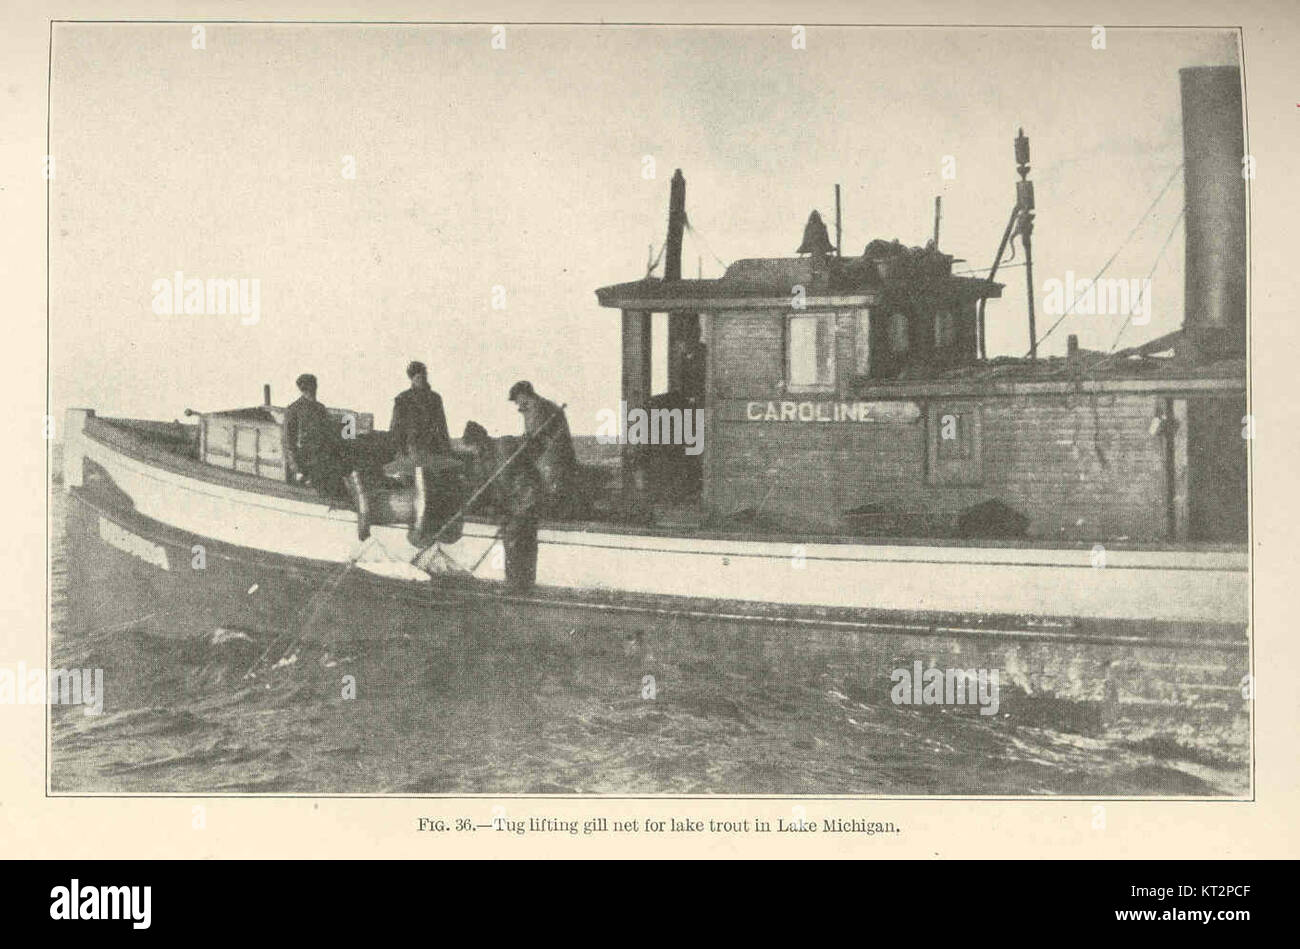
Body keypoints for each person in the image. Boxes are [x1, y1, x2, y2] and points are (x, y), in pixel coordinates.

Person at [461, 420, 542, 592]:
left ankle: (520, 584)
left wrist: (529, 439)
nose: (473, 452)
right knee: (513, 542)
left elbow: (532, 448)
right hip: (508, 506)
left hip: (526, 499)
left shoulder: (505, 444)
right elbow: (481, 488)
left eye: (473, 447)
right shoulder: (480, 462)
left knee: (522, 542)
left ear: (480, 441)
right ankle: (519, 584)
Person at [507, 380, 577, 516]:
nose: (516, 403)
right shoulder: (531, 407)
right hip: (545, 453)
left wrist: (523, 442)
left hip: (553, 454)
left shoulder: (539, 407)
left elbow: (535, 434)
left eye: (517, 399)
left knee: (550, 487)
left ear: (523, 394)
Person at [283, 373, 350, 503]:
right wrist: (297, 469)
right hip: (307, 462)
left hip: (322, 458)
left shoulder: (320, 408)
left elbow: (329, 435)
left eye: (314, 387)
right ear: (303, 389)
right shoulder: (293, 410)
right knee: (329, 485)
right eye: (309, 388)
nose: (313, 391)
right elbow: (289, 443)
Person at [388, 360, 451, 470]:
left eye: (423, 376)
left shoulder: (435, 398)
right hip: (412, 449)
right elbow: (396, 428)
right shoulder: (403, 399)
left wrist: (446, 449)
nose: (421, 380)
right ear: (412, 379)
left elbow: (442, 426)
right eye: (418, 377)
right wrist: (400, 452)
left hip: (433, 448)